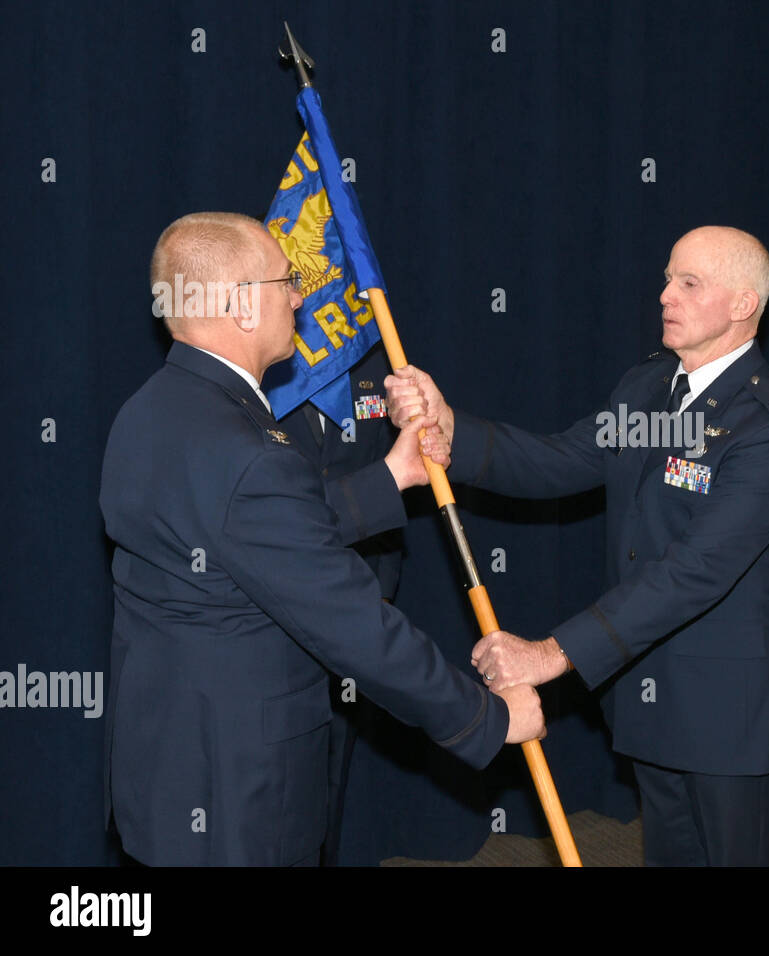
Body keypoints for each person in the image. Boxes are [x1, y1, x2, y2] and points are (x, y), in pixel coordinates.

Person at [100, 211, 543, 866]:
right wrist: (490, 718)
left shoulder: (146, 412)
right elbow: (356, 627)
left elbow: (247, 542)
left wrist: (391, 478)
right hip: (237, 793)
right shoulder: (248, 454)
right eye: (288, 280)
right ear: (244, 308)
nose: (301, 296)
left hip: (165, 765)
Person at [388, 226, 769, 866]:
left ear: (742, 304)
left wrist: (551, 655)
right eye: (667, 278)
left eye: (688, 283)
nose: (665, 295)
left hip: (730, 714)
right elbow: (560, 461)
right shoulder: (648, 388)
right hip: (649, 694)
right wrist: (451, 425)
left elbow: (693, 573)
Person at [274, 341, 403, 866]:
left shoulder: (367, 356)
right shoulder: (257, 365)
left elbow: (387, 474)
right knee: (279, 777)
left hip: (355, 603)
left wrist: (381, 592)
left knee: (334, 767)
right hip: (276, 609)